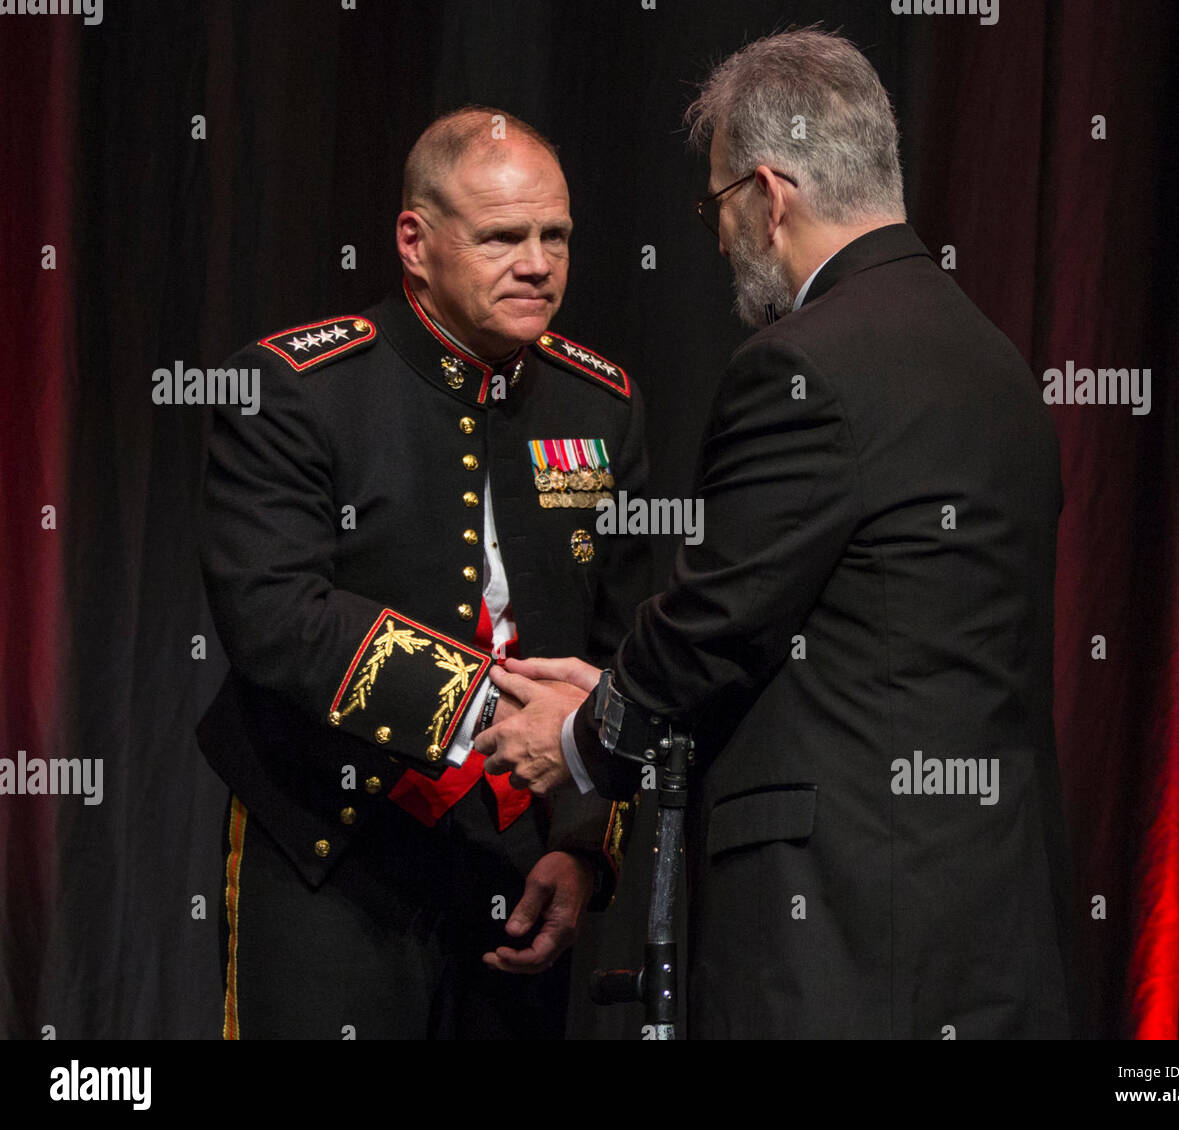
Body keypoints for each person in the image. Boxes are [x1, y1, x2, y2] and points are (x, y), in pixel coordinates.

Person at [478, 29, 1075, 1038]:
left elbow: (719, 619)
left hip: (840, 936)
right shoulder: (996, 363)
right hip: (992, 920)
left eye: (716, 204)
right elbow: (864, 629)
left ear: (768, 191)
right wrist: (618, 684)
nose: (717, 236)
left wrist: (581, 734)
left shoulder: (800, 367)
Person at [197, 106, 649, 1039]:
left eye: (554, 235)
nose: (537, 263)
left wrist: (581, 852)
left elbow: (624, 640)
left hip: (517, 865)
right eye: (501, 237)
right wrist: (493, 711)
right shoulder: (297, 390)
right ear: (414, 241)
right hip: (332, 846)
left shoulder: (602, 402)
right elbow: (276, 616)